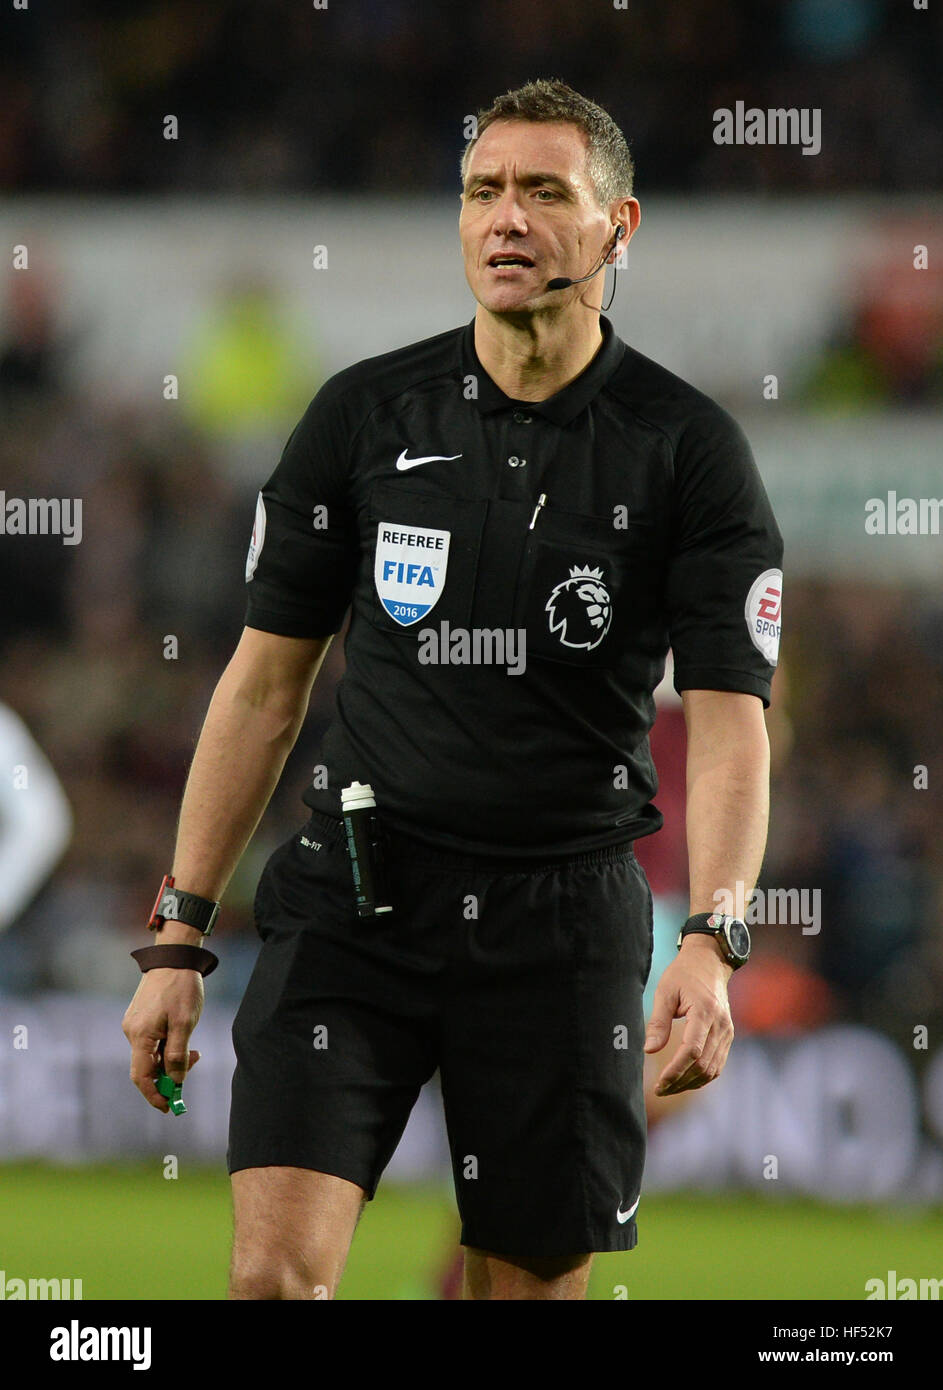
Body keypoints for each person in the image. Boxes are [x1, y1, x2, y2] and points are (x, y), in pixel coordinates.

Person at [122, 78, 783, 1301]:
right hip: (358, 904)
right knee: (272, 1282)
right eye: (483, 191)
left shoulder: (686, 451)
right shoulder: (363, 417)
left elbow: (733, 722)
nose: (506, 220)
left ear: (617, 227)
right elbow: (263, 689)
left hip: (561, 923)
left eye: (544, 192)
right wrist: (179, 930)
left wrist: (712, 932)